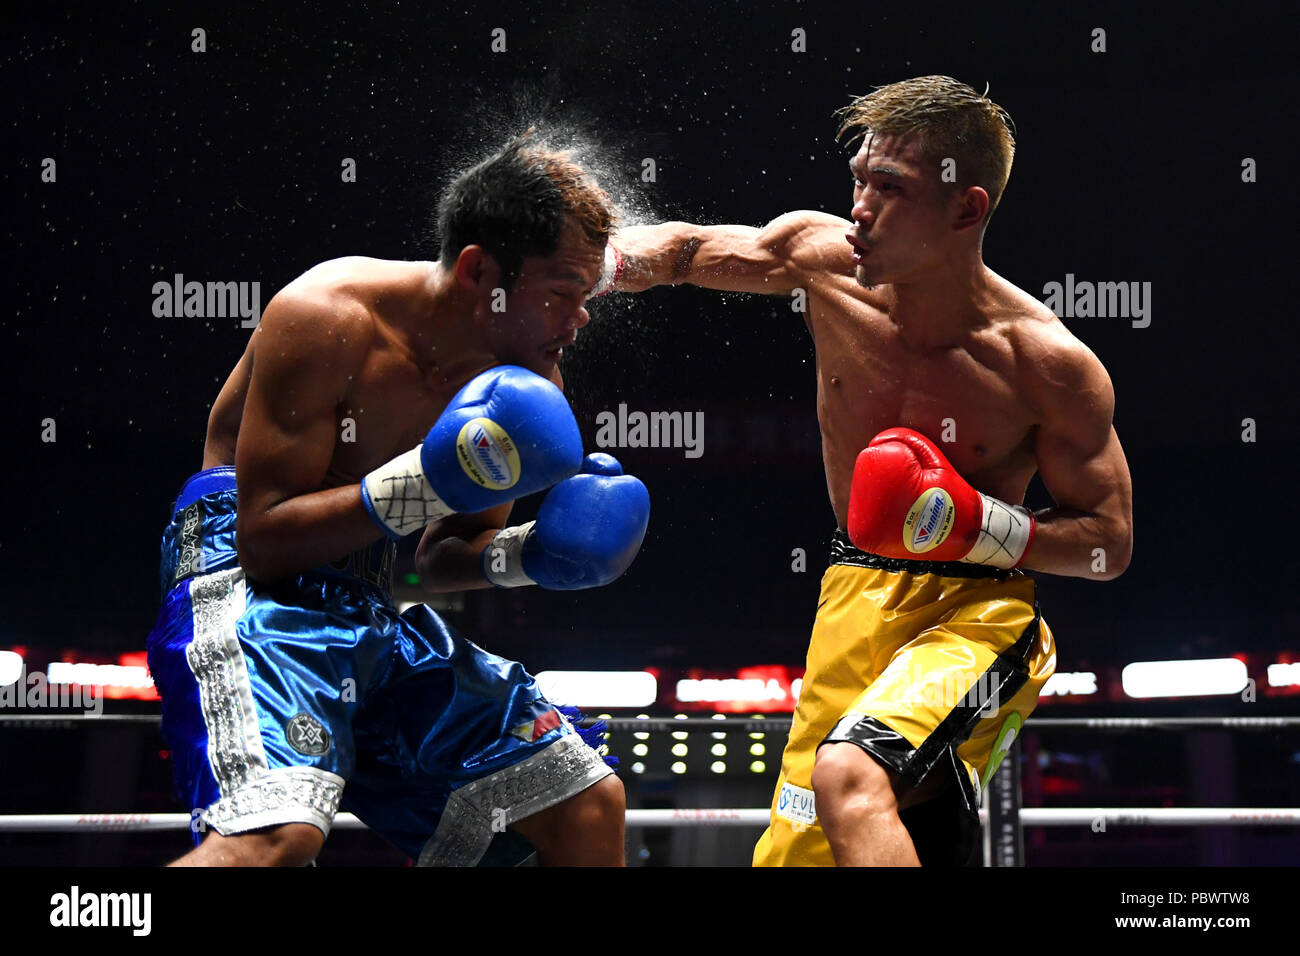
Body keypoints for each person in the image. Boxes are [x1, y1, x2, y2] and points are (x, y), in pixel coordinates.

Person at [603, 76, 1133, 865]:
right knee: (807, 847)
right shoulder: (822, 262)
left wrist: (975, 521)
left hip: (977, 615)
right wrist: (592, 264)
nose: (860, 207)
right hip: (852, 597)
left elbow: (1106, 544)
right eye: (858, 179)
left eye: (890, 189)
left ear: (967, 208)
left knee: (852, 773)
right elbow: (685, 251)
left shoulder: (1044, 364)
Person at [146, 133, 650, 867]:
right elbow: (264, 538)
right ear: (481, 272)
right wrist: (426, 485)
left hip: (370, 601)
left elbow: (439, 559)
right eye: (562, 294)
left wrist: (531, 555)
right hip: (243, 584)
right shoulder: (327, 317)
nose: (580, 319)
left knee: (583, 804)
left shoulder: (526, 384)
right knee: (274, 843)